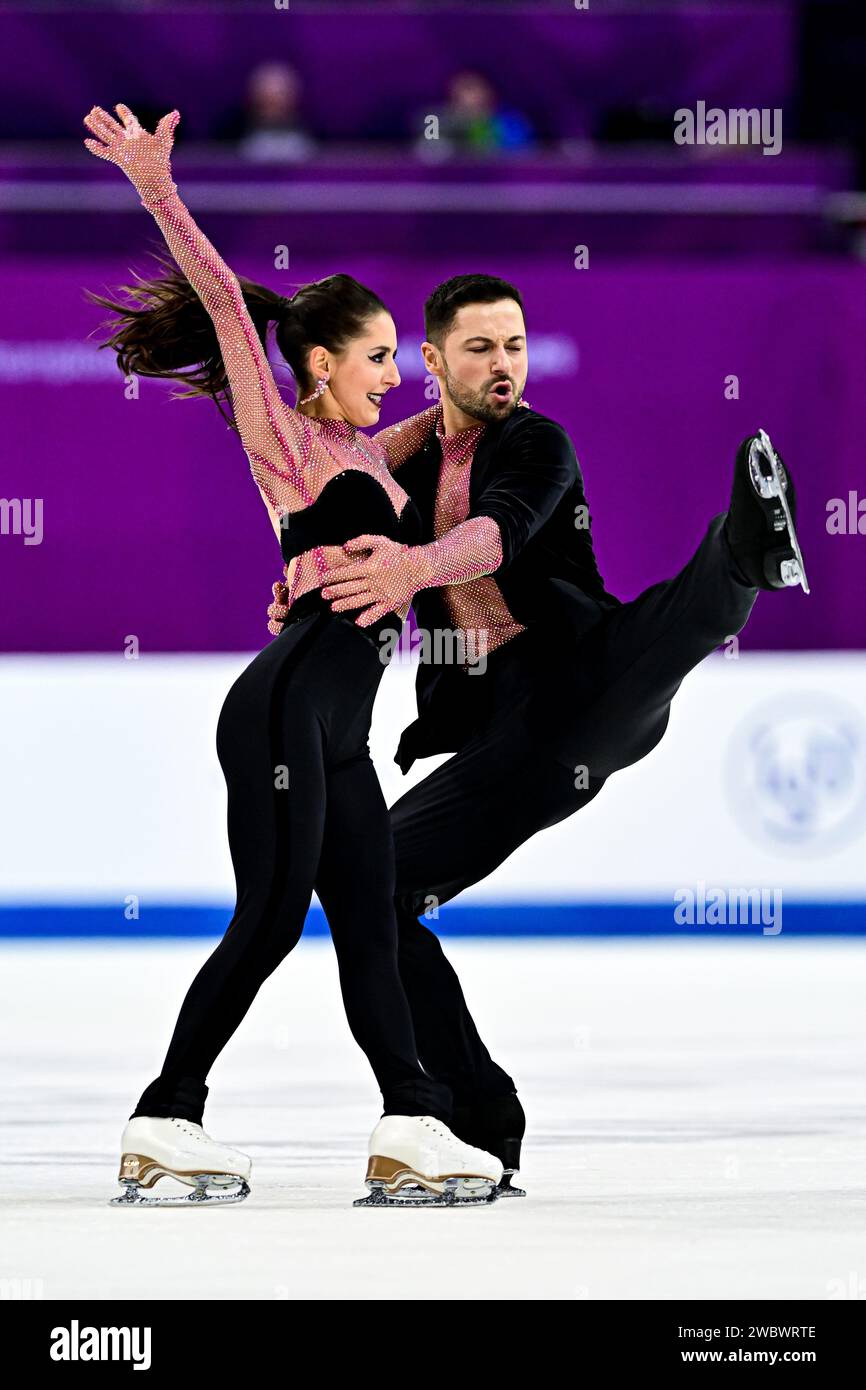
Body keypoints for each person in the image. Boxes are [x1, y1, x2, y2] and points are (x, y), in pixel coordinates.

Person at [267, 273, 809, 1194]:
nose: (503, 365)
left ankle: (744, 551)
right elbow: (335, 511)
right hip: (503, 736)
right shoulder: (400, 458)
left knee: (663, 629)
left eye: (514, 346)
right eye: (480, 348)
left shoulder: (536, 442)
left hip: (581, 677)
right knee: (368, 884)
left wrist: (411, 569)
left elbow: (497, 534)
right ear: (432, 360)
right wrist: (303, 587)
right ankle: (477, 1119)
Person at [83, 103, 509, 1208]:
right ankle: (166, 1114)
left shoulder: (371, 452)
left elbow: (455, 440)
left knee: (370, 923)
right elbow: (228, 303)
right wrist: (156, 185)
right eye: (378, 358)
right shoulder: (288, 439)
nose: (394, 375)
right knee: (271, 918)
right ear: (320, 363)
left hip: (338, 726)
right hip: (285, 705)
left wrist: (485, 367)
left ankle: (411, 1121)